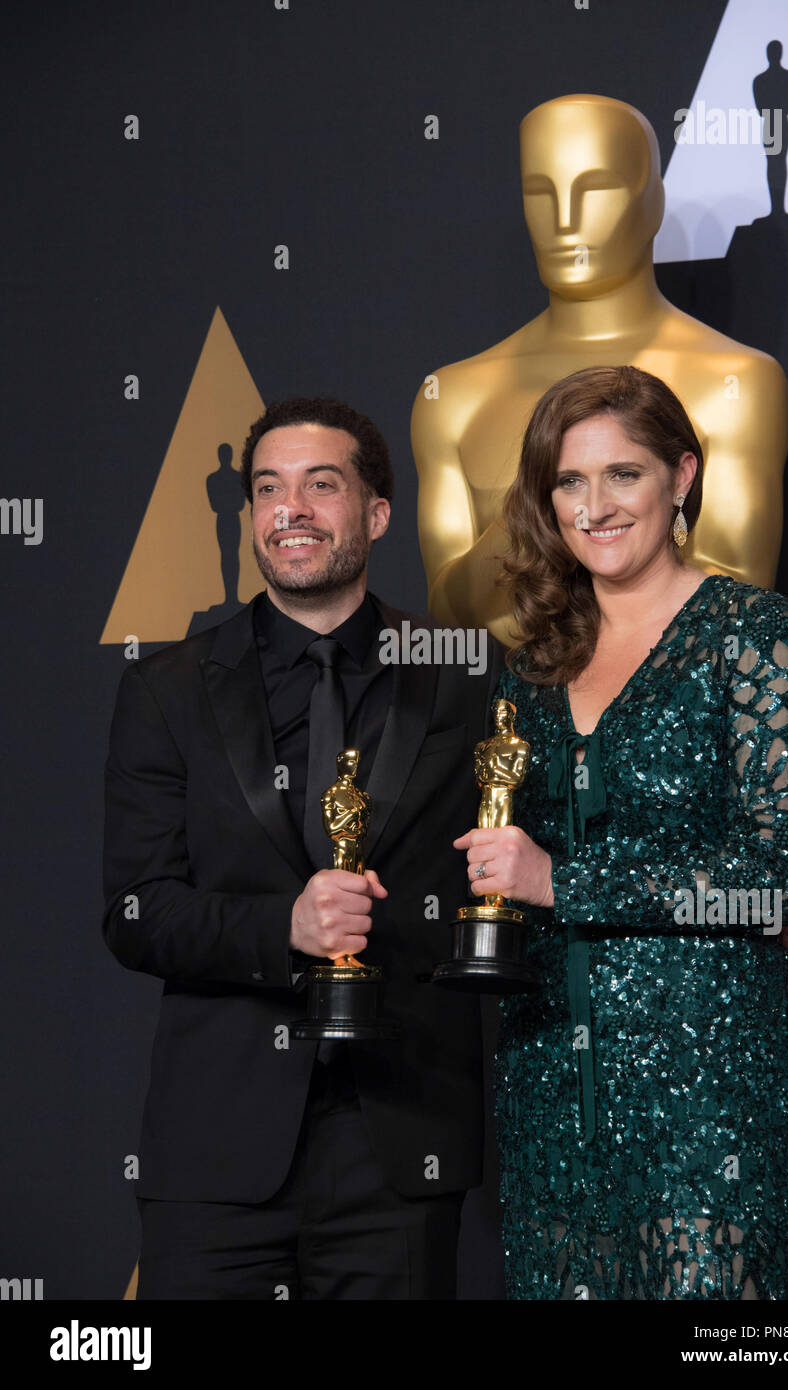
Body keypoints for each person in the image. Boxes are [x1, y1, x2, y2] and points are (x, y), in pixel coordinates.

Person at [102, 396, 503, 1300]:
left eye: (323, 486)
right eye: (269, 489)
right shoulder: (166, 690)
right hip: (216, 1154)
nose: (292, 510)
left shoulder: (465, 677)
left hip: (402, 1139)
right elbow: (137, 913)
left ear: (377, 512)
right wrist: (284, 925)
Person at [452, 365, 788, 1299]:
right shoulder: (535, 664)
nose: (595, 506)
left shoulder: (756, 635)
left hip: (709, 1105)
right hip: (551, 1091)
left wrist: (562, 880)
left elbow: (777, 883)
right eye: (570, 482)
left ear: (683, 477)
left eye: (623, 474)